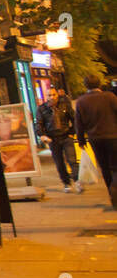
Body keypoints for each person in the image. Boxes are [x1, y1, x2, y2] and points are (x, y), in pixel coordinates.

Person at [75, 73, 117, 209]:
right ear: (99, 84)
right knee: (115, 166)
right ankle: (115, 188)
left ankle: (112, 193)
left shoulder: (81, 101)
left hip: (95, 139)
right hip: (113, 137)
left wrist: (81, 140)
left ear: (85, 86)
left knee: (104, 167)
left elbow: (79, 123)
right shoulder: (110, 97)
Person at [36, 87, 82, 192]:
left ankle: (77, 181)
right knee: (59, 163)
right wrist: (42, 135)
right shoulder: (42, 108)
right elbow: (39, 123)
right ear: (46, 96)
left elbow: (75, 119)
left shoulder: (65, 105)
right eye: (49, 95)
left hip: (66, 137)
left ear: (57, 95)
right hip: (53, 139)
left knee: (72, 160)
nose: (52, 97)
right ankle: (66, 183)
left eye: (53, 95)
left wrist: (72, 133)